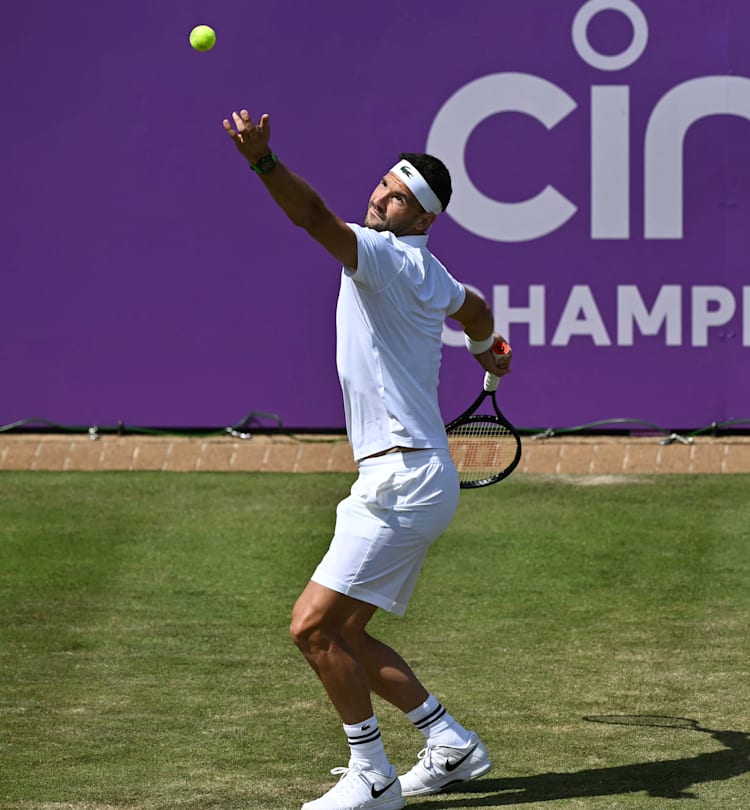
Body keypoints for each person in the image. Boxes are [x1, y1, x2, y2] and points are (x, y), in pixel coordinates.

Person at [222, 109, 508, 810]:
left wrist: (262, 161)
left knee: (313, 627)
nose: (381, 199)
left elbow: (312, 217)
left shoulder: (384, 255)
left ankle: (373, 775)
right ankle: (450, 743)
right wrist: (487, 352)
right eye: (383, 185)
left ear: (424, 218)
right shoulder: (432, 272)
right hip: (411, 475)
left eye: (399, 198)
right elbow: (475, 309)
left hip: (402, 478)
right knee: (345, 632)